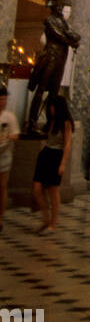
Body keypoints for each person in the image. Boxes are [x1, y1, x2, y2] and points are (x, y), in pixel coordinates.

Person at [25, 1, 80, 133]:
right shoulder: (49, 20)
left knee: (54, 93)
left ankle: (50, 122)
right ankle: (32, 122)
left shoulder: (64, 23)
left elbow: (76, 35)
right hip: (50, 57)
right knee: (41, 89)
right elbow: (58, 35)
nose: (62, 10)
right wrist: (71, 42)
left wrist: (71, 38)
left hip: (60, 59)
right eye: (60, 7)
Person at [32, 93, 73, 235]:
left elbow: (67, 144)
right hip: (46, 154)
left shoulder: (65, 123)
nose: (50, 109)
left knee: (53, 191)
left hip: (56, 155)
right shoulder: (52, 121)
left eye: (52, 106)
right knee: (37, 189)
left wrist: (63, 163)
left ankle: (53, 224)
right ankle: (45, 218)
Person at [0, 85, 20, 234]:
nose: (3, 102)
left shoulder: (9, 117)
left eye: (5, 99)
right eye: (1, 99)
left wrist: (7, 136)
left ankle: (0, 217)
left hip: (4, 155)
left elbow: (15, 134)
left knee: (2, 186)